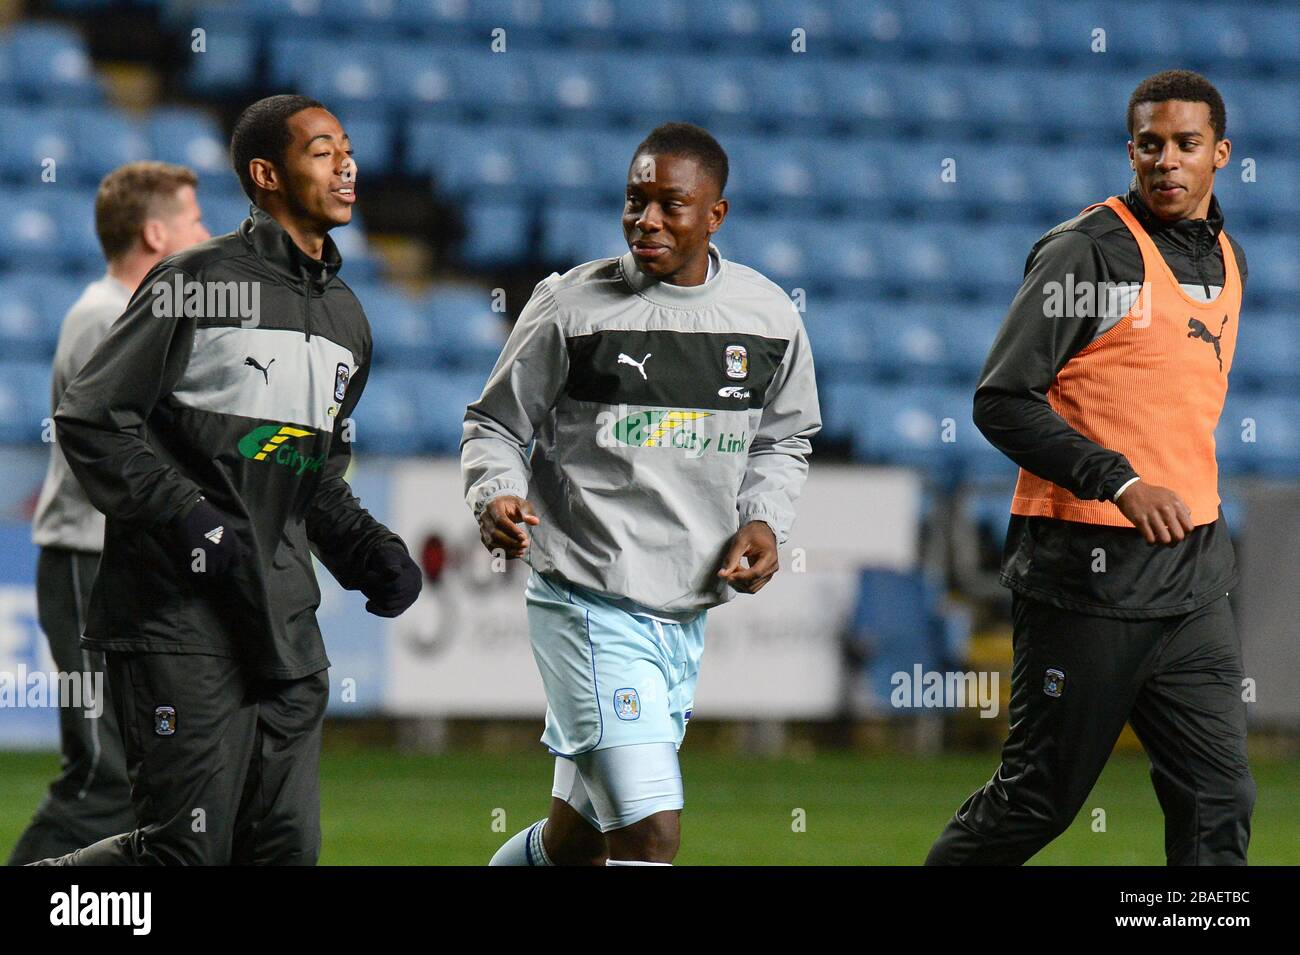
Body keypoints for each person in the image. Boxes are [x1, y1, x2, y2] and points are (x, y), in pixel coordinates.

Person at [35, 95, 421, 866]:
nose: (347, 164)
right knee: (183, 854)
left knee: (280, 851)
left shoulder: (349, 318)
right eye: (320, 150)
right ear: (265, 174)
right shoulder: (196, 281)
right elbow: (91, 417)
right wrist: (188, 518)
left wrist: (366, 549)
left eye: (347, 147)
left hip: (287, 628)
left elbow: (312, 476)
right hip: (181, 618)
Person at [464, 122, 821, 866]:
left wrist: (764, 519)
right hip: (587, 600)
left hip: (682, 611)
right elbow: (495, 422)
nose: (646, 220)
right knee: (650, 836)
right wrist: (495, 493)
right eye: (635, 201)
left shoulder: (768, 318)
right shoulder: (572, 306)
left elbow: (782, 440)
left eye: (670, 205)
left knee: (573, 842)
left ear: (715, 214)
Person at [927, 70, 1253, 865]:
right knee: (1038, 799)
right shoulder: (1091, 251)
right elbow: (1002, 399)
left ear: (1222, 154)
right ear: (1130, 151)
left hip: (1193, 579)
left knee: (1221, 801)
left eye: (1184, 145)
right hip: (1087, 573)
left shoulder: (1229, 255)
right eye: (1149, 145)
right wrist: (1120, 480)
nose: (1166, 161)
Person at [8, 162, 210, 865]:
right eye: (193, 220)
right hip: (87, 565)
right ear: (156, 233)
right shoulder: (107, 316)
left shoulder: (127, 313)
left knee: (129, 775)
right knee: (103, 772)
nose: (206, 235)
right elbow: (140, 445)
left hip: (114, 566)